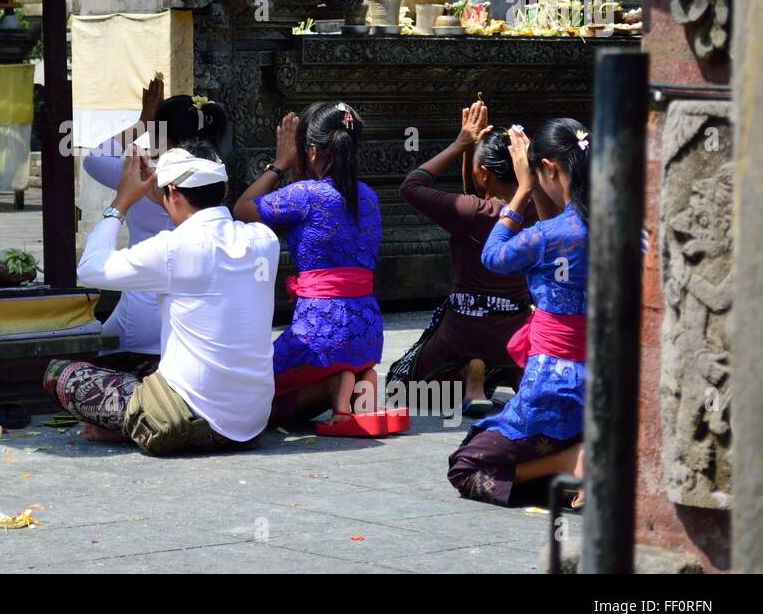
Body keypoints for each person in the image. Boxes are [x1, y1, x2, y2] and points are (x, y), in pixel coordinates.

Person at [44, 141, 280, 455]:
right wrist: (165, 191)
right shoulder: (264, 239)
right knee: (144, 365)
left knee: (61, 375)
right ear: (223, 188)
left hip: (183, 418)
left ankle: (138, 427)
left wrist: (122, 203)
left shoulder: (173, 249)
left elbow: (90, 269)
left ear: (172, 193)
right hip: (251, 422)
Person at [448, 118, 590, 507]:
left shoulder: (553, 234)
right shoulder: (620, 224)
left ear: (549, 169)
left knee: (465, 466)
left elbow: (493, 255)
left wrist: (522, 191)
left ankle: (575, 460)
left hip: (554, 384)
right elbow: (557, 228)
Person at [234, 101, 383, 427]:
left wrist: (279, 165)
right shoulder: (369, 196)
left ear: (312, 152)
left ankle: (335, 383)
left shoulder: (304, 194)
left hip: (321, 333)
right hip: (367, 334)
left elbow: (242, 209)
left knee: (247, 400)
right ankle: (357, 378)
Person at [390, 101, 535, 416]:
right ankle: (514, 372)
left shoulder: (470, 212)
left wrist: (460, 144)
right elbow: (482, 196)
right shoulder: (541, 209)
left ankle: (473, 371)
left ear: (483, 174)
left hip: (463, 332)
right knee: (516, 344)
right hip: (515, 332)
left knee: (398, 383)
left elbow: (411, 185)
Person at [81, 76, 229, 369]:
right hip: (197, 311)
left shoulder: (148, 175)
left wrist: (142, 121)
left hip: (145, 308)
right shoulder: (215, 173)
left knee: (81, 367)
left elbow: (94, 159)